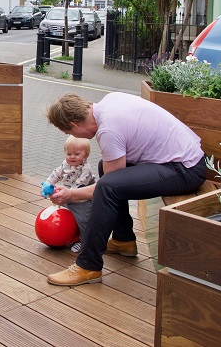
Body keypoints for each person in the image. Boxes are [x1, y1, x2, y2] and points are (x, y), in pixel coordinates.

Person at [44, 92, 207, 286]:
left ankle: (88, 266)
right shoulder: (109, 100)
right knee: (105, 168)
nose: (74, 137)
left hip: (186, 169)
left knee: (108, 187)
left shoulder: (108, 130)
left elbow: (107, 187)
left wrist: (70, 194)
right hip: (180, 158)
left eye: (69, 133)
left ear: (74, 125)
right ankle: (124, 240)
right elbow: (114, 173)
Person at [43, 135, 96, 253]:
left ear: (86, 155)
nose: (72, 157)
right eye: (69, 154)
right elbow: (56, 173)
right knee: (65, 217)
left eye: (77, 154)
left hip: (82, 201)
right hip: (67, 197)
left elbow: (78, 186)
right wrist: (48, 184)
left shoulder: (86, 169)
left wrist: (65, 194)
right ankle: (69, 234)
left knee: (83, 220)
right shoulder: (65, 165)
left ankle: (84, 241)